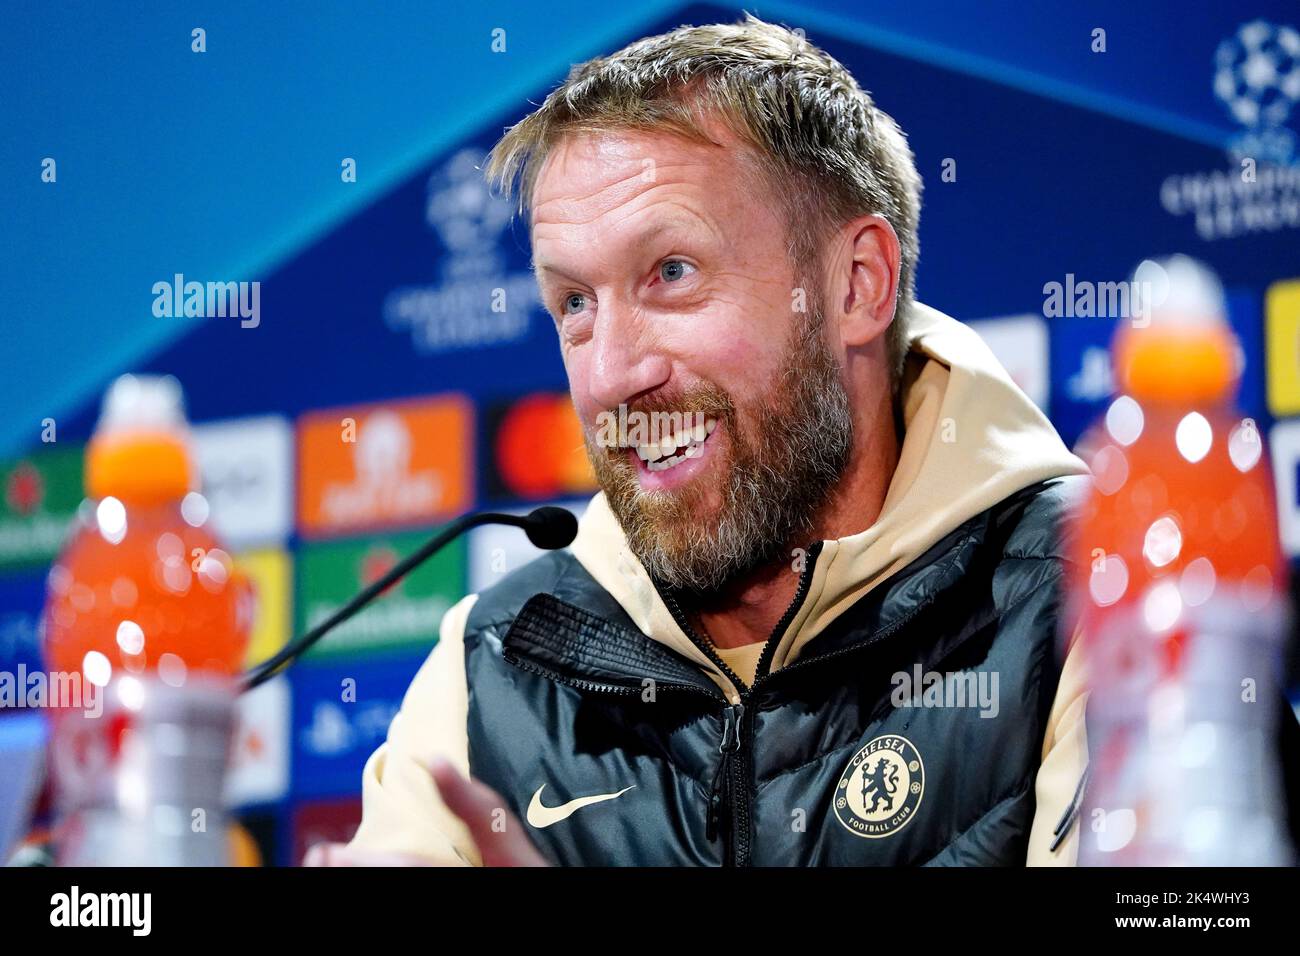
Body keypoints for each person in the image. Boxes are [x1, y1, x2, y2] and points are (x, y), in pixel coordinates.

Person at [309, 14, 1094, 867]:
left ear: (856, 285)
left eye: (671, 273)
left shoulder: (1095, 595)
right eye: (574, 302)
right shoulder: (490, 671)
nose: (610, 375)